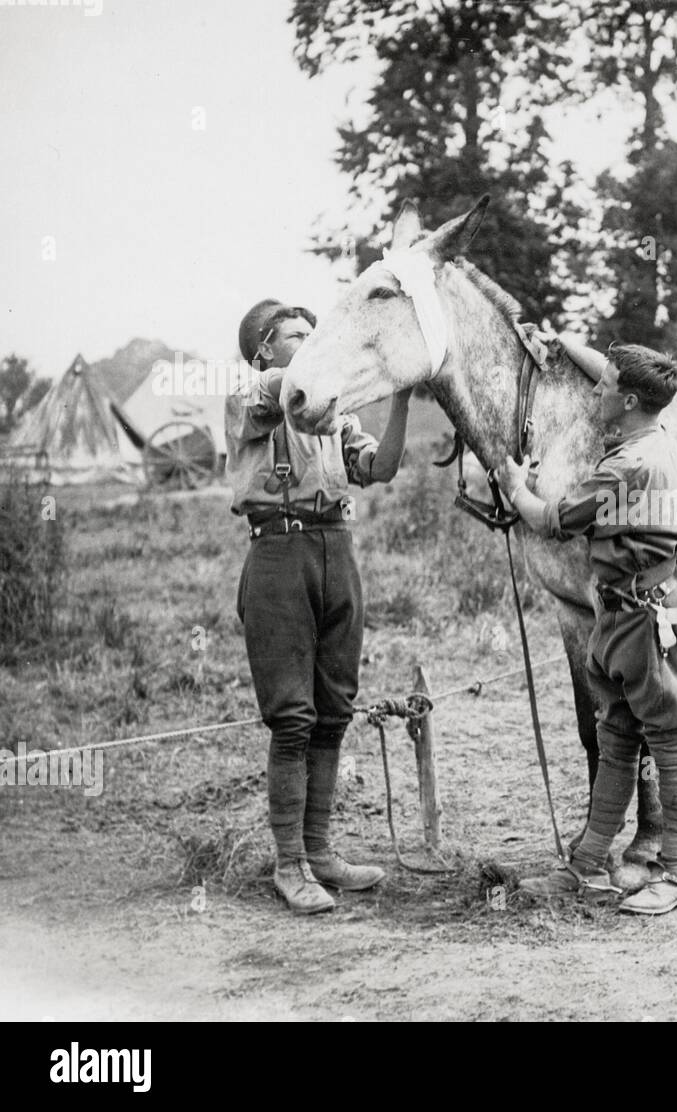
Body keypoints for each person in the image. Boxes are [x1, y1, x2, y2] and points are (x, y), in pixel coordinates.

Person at [499, 343, 677, 915]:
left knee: (667, 743)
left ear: (630, 399)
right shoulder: (651, 434)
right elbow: (616, 378)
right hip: (622, 612)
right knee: (616, 738)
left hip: (648, 619)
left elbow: (553, 521)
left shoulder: (627, 466)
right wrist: (564, 343)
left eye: (604, 385)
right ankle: (589, 867)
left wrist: (515, 485)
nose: (595, 390)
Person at [226, 298, 411, 915]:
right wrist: (324, 358)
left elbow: (379, 467)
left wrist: (401, 394)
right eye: (295, 337)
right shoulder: (248, 395)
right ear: (262, 350)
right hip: (278, 555)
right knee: (293, 719)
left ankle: (322, 852)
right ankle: (290, 865)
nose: (308, 344)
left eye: (314, 335)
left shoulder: (332, 409)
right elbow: (273, 395)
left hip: (338, 549)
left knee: (334, 713)